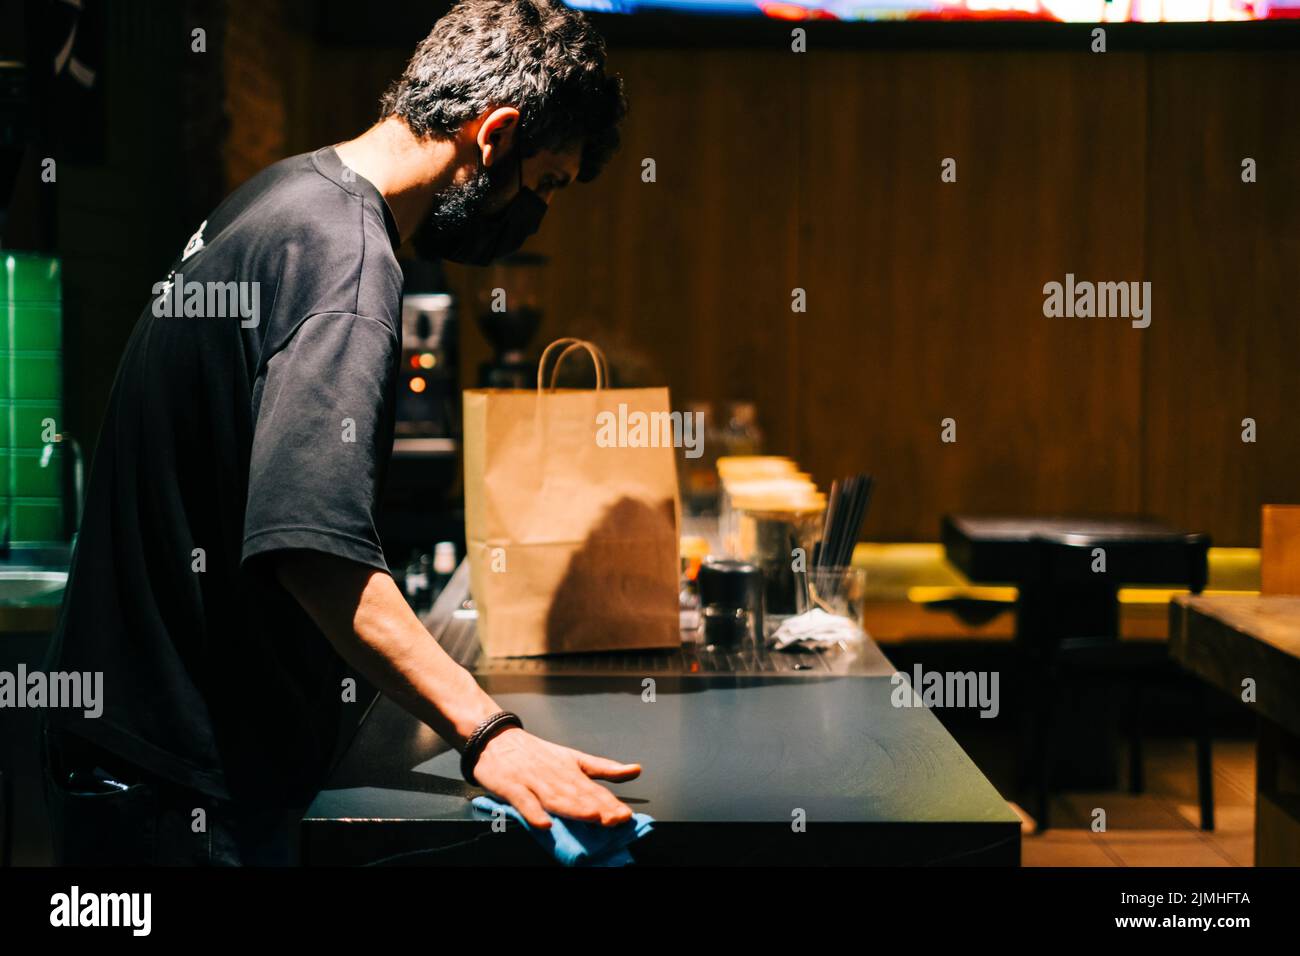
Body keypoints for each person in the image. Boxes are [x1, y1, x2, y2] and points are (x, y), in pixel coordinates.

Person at [41, 0, 637, 866]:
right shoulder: (349, 263)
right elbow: (314, 551)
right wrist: (489, 733)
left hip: (118, 743)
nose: (533, 215)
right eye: (544, 185)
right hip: (174, 789)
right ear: (496, 136)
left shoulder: (285, 192)